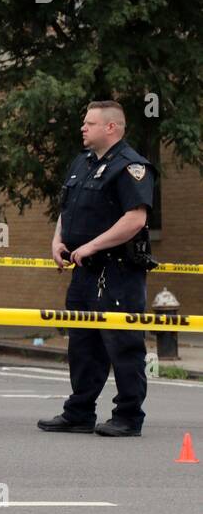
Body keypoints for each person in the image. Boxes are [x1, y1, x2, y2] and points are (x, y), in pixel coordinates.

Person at [40, 101, 156, 438]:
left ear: (111, 128)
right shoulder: (83, 163)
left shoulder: (131, 166)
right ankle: (79, 411)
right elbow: (68, 208)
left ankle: (128, 415)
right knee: (83, 344)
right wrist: (57, 240)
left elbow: (135, 218)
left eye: (90, 123)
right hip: (84, 272)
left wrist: (92, 245)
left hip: (117, 272)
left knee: (122, 344)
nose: (83, 128)